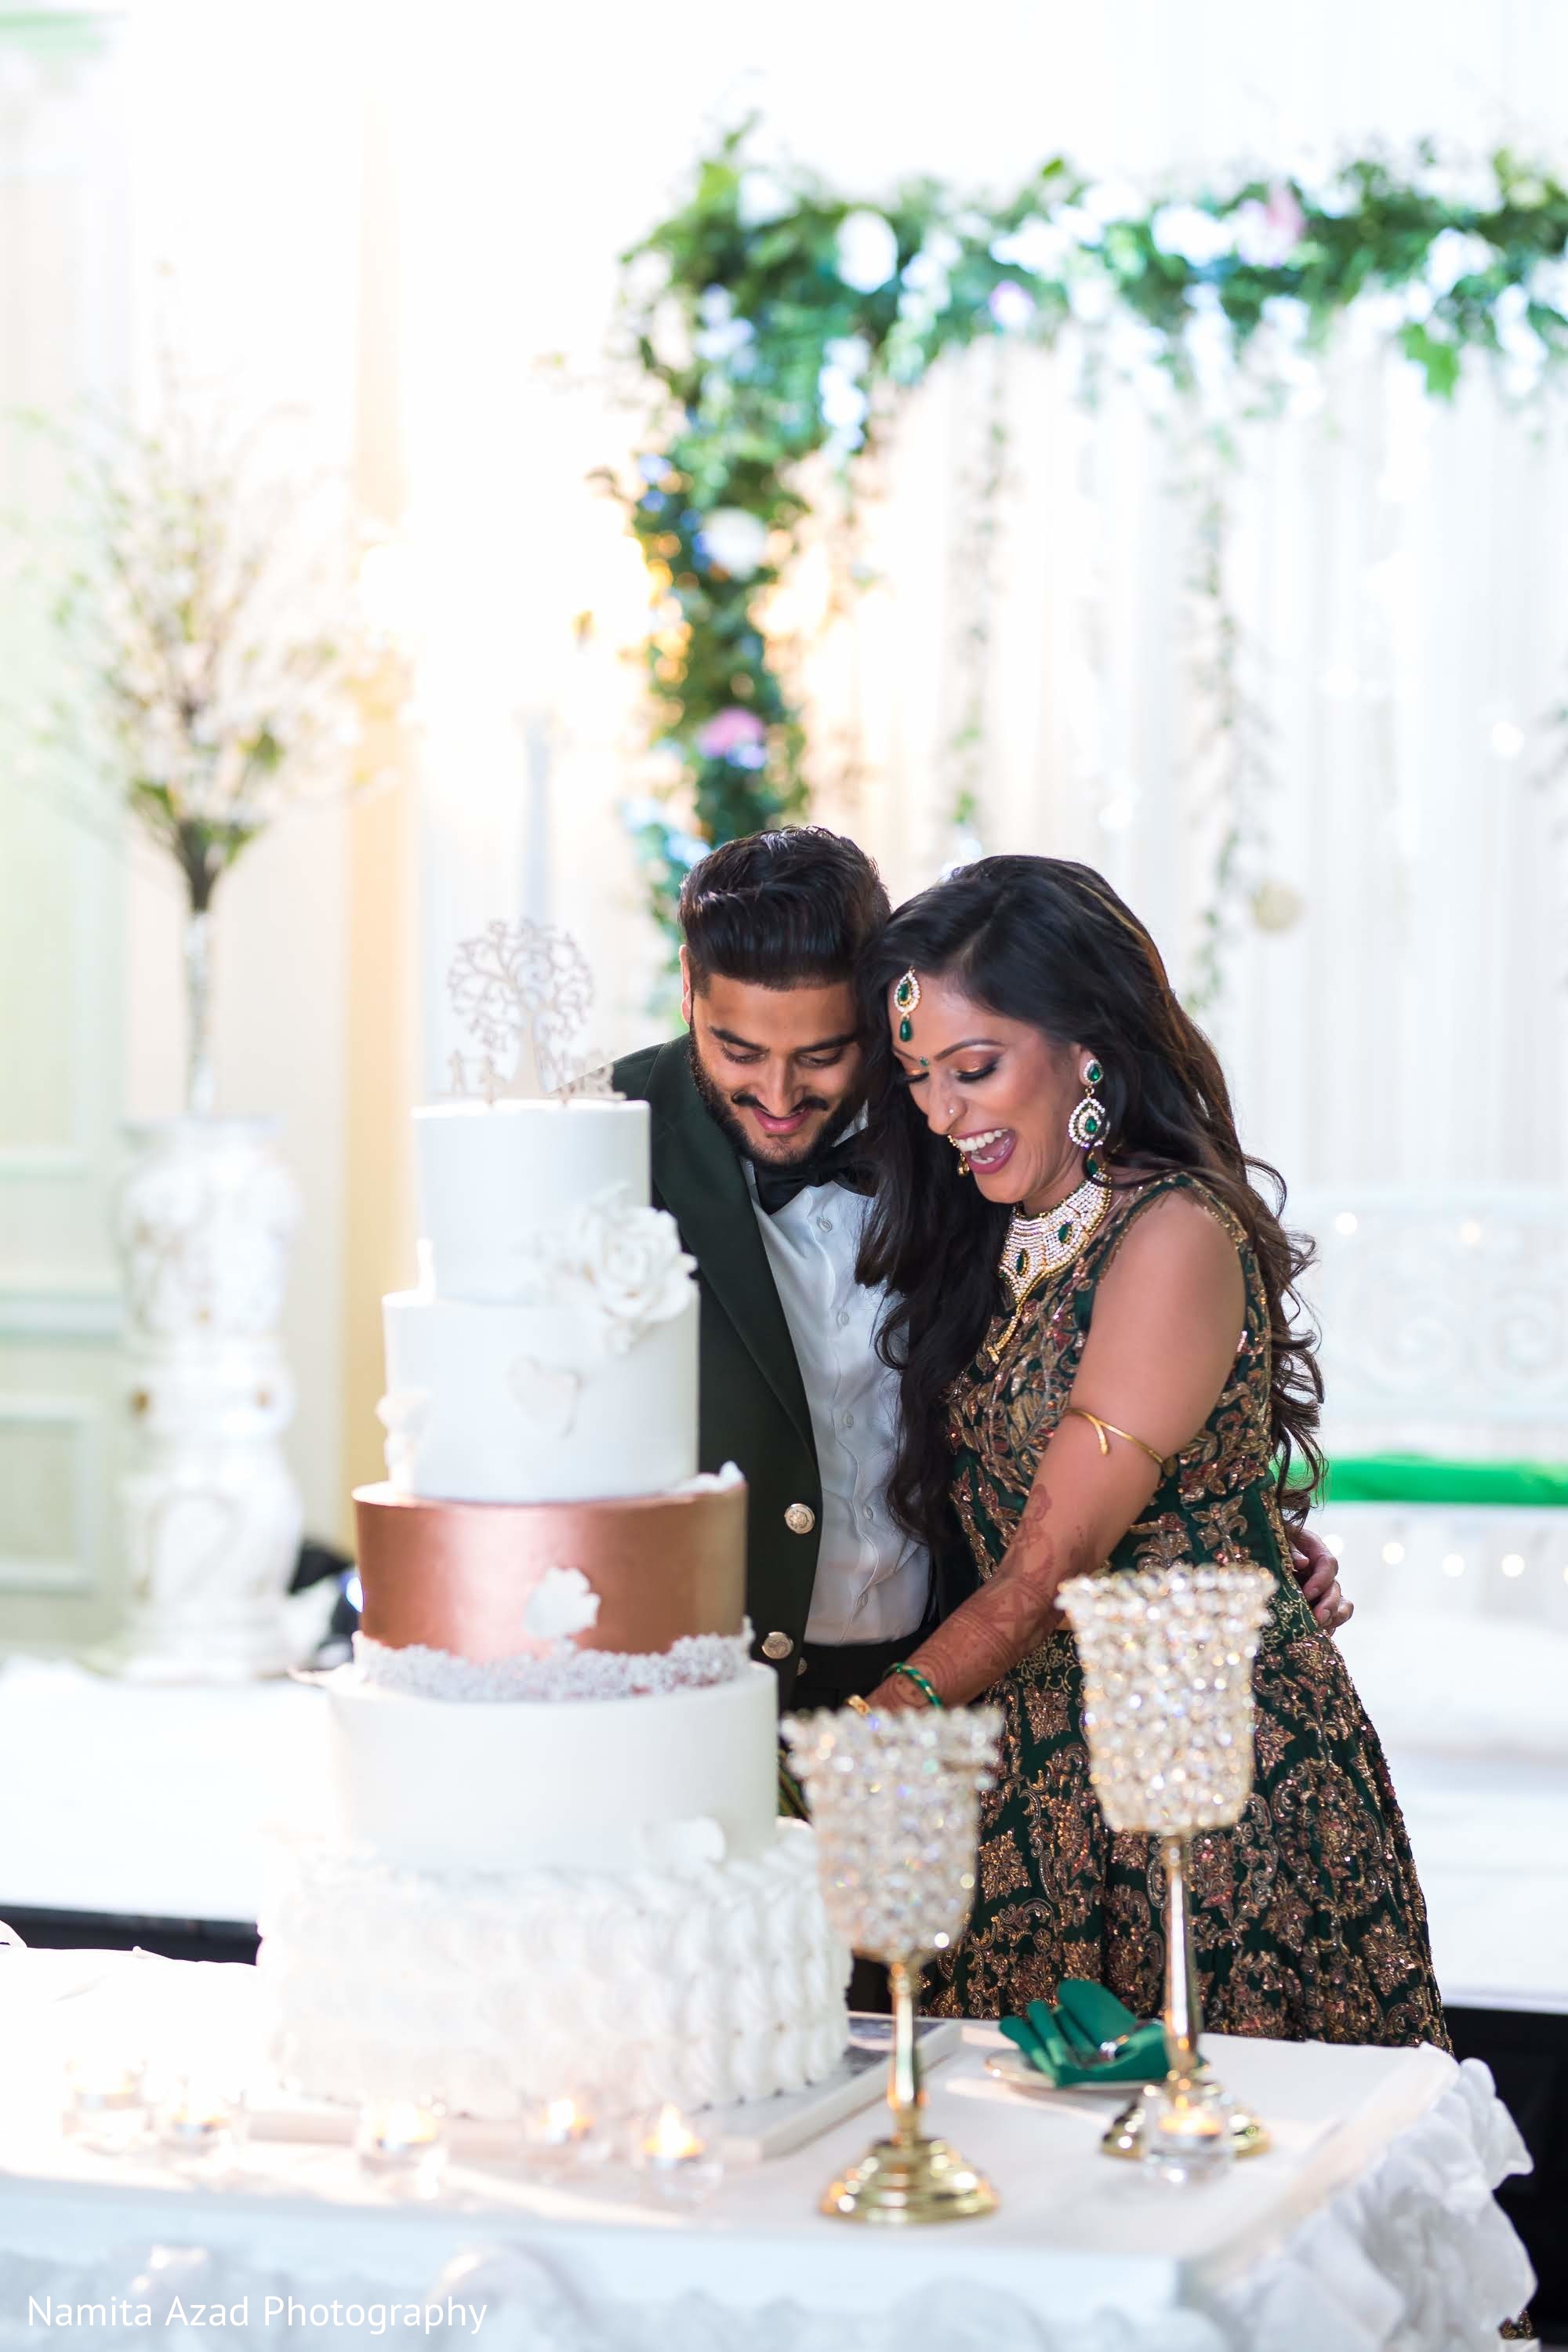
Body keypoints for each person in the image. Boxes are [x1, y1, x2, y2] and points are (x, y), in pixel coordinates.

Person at [854, 853, 1446, 2049]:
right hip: (1040, 1784)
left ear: (1090, 1047)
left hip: (1208, 1784)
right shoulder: (999, 1236)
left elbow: (1051, 1559)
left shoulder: (1171, 1229)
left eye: (973, 1070)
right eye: (920, 1078)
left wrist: (865, 1734)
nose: (942, 1112)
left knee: (1217, 2166)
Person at [612, 828, 1351, 1722]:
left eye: (821, 1055)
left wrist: (1219, 1520)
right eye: (738, 1052)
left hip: (977, 1693)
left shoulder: (971, 1147)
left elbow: (1112, 1361)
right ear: (688, 987)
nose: (777, 1096)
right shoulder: (601, 1140)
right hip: (704, 1692)